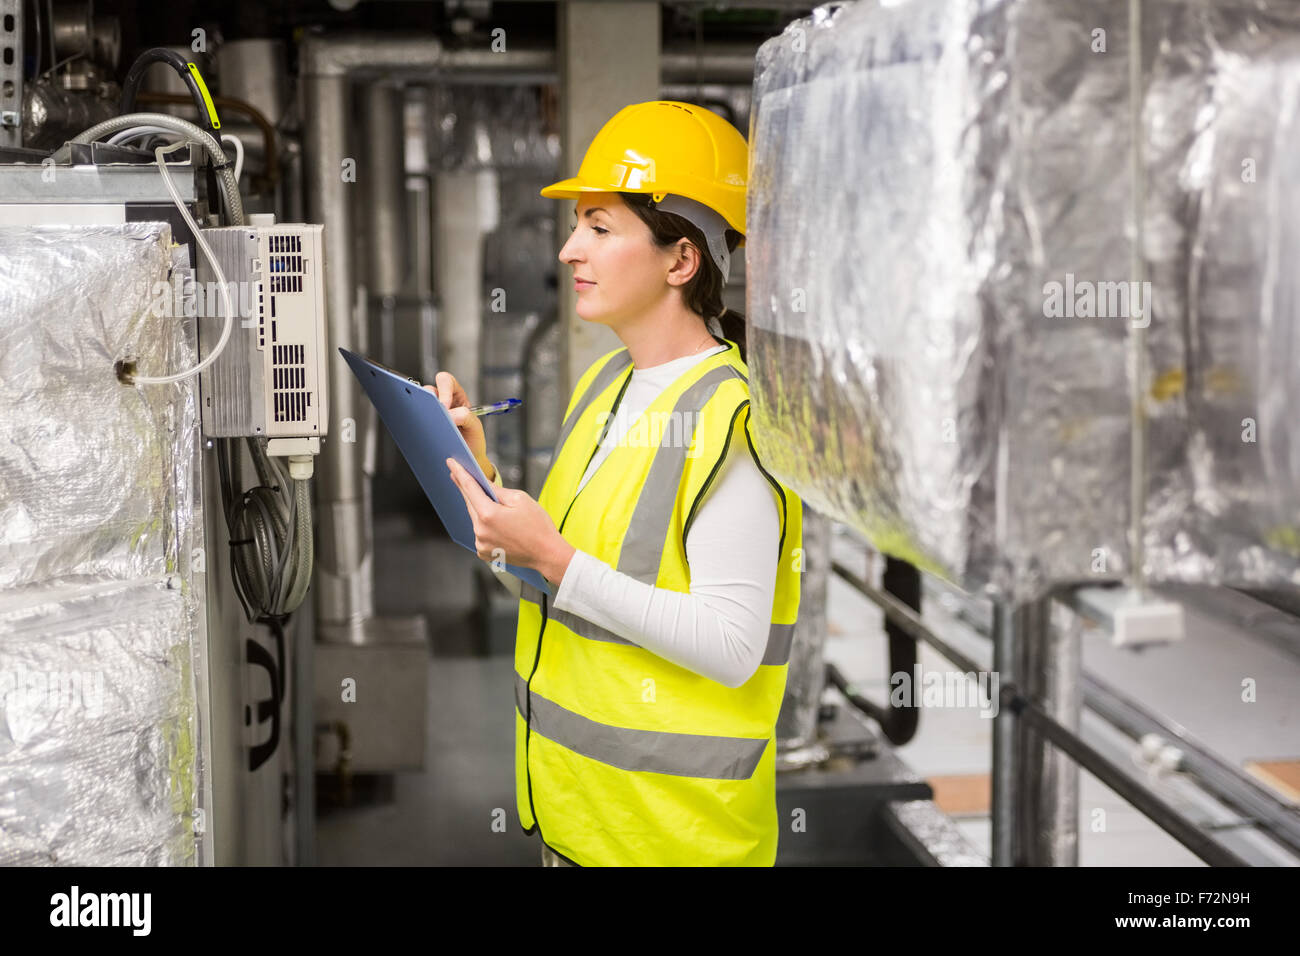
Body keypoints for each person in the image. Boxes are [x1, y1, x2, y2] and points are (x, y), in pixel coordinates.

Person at [431, 101, 802, 867]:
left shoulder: (731, 418)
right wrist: (483, 481)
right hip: (580, 829)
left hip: (676, 843)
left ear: (681, 259)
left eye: (599, 228)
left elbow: (733, 645)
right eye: (577, 227)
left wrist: (557, 560)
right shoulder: (607, 385)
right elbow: (555, 587)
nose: (570, 250)